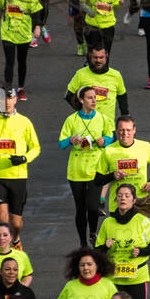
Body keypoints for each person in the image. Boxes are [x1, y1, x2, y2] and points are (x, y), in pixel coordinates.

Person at [0, 88, 41, 241]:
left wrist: (24, 159)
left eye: (10, 98)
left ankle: (16, 239)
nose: (6, 102)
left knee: (16, 223)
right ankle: (6, 248)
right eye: (3, 99)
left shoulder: (25, 122)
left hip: (18, 176)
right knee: (2, 219)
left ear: (15, 100)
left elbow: (36, 147)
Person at [59, 85, 115, 247]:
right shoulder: (72, 120)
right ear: (81, 100)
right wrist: (71, 140)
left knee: (92, 206)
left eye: (95, 97)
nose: (94, 100)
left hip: (96, 169)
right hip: (76, 170)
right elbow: (61, 143)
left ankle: (92, 232)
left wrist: (105, 141)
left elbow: (110, 137)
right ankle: (83, 242)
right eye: (90, 98)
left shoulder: (103, 118)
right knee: (80, 208)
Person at [95, 183, 150, 299]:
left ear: (134, 200)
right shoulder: (108, 223)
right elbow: (97, 252)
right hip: (114, 279)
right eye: (119, 196)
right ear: (116, 200)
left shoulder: (142, 221)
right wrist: (105, 247)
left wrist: (141, 251)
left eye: (127, 195)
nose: (123, 198)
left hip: (137, 278)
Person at [97, 115, 150, 214]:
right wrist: (113, 175)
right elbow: (97, 180)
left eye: (128, 130)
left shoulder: (145, 146)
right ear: (116, 130)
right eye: (121, 130)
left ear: (134, 130)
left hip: (140, 203)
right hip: (118, 205)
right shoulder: (108, 151)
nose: (125, 133)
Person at [0, 0, 42, 97]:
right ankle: (8, 87)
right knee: (9, 61)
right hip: (8, 33)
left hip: (24, 33)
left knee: (22, 61)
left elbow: (36, 13)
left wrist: (37, 27)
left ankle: (21, 88)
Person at [64, 43, 130, 122]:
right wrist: (82, 110)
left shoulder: (116, 75)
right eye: (95, 57)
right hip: (87, 125)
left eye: (101, 57)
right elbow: (68, 95)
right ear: (90, 57)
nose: (98, 60)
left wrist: (125, 117)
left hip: (108, 126)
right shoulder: (81, 74)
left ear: (106, 56)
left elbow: (122, 97)